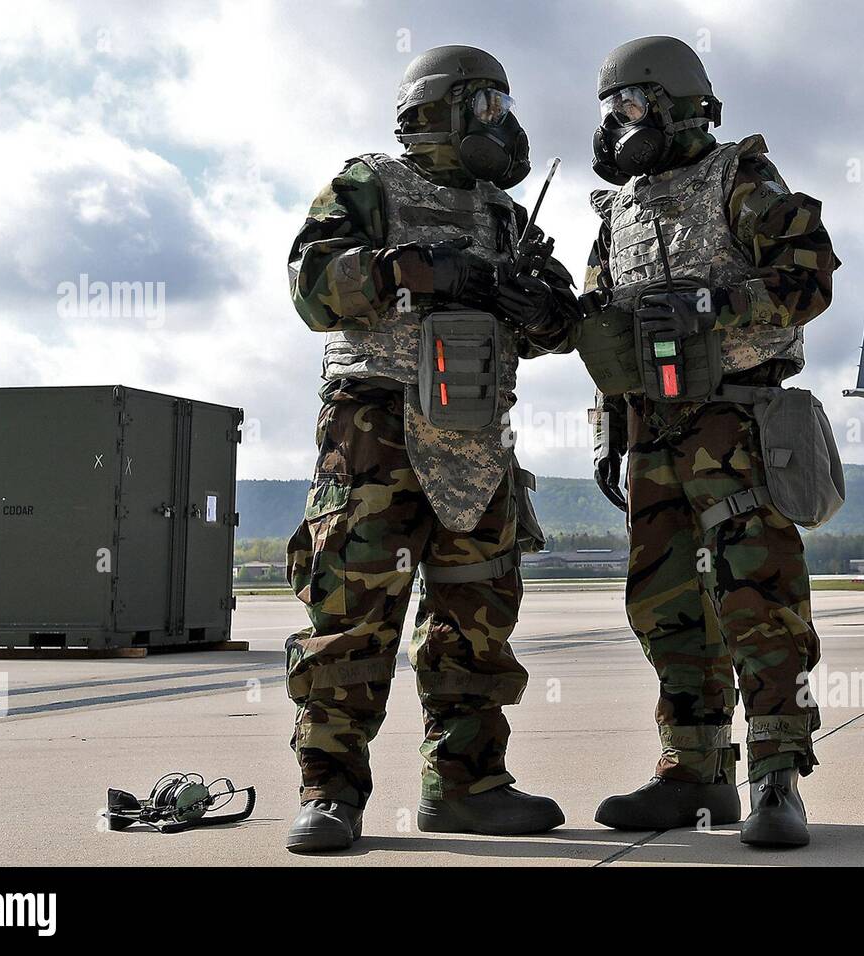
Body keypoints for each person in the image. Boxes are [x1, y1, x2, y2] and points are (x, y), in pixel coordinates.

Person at [282, 44, 580, 853]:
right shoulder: (368, 184)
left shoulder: (504, 214)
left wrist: (536, 303)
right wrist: (416, 269)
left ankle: (467, 784)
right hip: (374, 424)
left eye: (502, 107)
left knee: (476, 615)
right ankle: (330, 792)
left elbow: (563, 320)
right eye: (484, 106)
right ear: (436, 111)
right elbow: (312, 285)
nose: (500, 123)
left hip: (476, 433)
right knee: (351, 612)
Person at [576, 35, 840, 847]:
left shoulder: (743, 180)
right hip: (652, 433)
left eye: (627, 106)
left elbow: (811, 278)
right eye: (611, 111)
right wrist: (607, 429)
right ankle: (693, 774)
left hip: (739, 424)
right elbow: (603, 322)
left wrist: (714, 309)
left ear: (671, 101)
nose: (618, 125)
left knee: (758, 604)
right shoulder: (616, 211)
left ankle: (775, 779)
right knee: (667, 608)